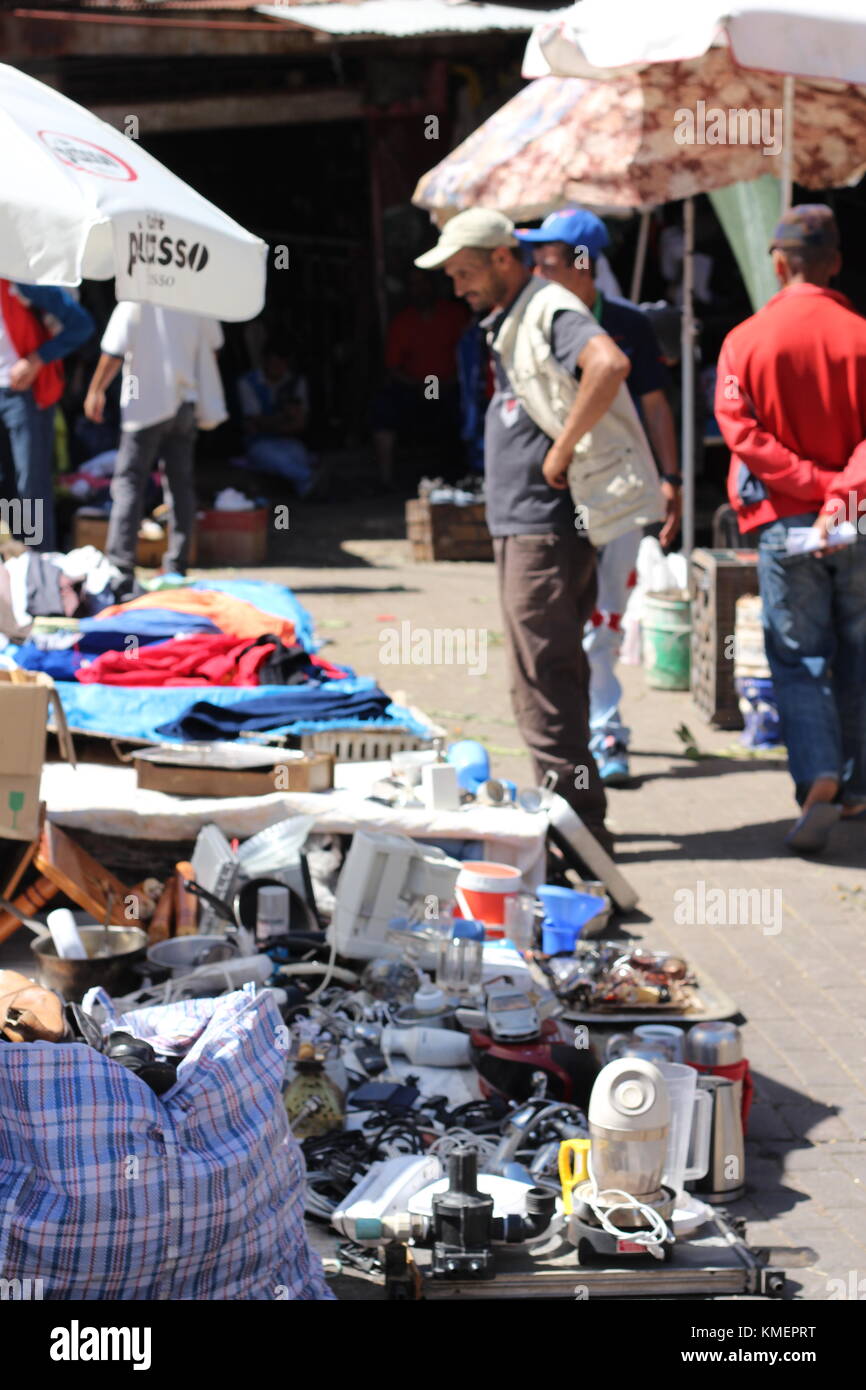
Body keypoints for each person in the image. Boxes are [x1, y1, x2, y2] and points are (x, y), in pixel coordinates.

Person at [415, 208, 640, 856]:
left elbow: (608, 364)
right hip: (534, 528)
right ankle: (578, 824)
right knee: (553, 679)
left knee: (541, 685)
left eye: (466, 272)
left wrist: (559, 452)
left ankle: (579, 840)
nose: (459, 288)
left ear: (503, 259)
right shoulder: (520, 315)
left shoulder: (547, 308)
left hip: (543, 529)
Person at [714, 205, 866, 855]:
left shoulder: (743, 341)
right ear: (835, 263)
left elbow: (741, 432)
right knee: (859, 651)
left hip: (784, 521)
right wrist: (841, 491)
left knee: (801, 659)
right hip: (857, 516)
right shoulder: (861, 333)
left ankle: (819, 778)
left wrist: (808, 486)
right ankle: (857, 786)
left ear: (777, 263)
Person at [515, 208, 681, 786]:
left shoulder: (626, 324)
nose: (537, 270)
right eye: (534, 261)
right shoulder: (538, 319)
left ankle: (606, 733)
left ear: (583, 265)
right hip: (559, 496)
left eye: (550, 262)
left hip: (616, 492)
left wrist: (673, 478)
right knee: (564, 618)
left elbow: (656, 405)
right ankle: (582, 732)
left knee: (606, 615)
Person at [84, 302, 226, 584]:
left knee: (129, 482)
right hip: (185, 402)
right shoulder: (193, 295)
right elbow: (215, 346)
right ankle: (177, 564)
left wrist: (95, 389)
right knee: (180, 485)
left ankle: (120, 566)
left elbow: (114, 349)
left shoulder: (137, 295)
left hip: (145, 405)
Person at [0, 280, 94, 551]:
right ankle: (21, 557)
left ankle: (39, 560)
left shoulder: (20, 283)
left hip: (25, 394)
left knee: (29, 481)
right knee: (8, 484)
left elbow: (81, 325)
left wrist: (38, 358)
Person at [372, 269, 468, 486]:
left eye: (424, 284)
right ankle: (385, 479)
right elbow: (393, 367)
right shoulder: (403, 322)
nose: (420, 290)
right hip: (415, 387)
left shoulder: (453, 315)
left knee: (457, 411)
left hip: (451, 384)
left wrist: (452, 380)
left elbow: (468, 355)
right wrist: (418, 384)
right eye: (415, 285)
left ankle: (458, 476)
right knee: (383, 408)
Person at [237, 338, 316, 496]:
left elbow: (301, 423)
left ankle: (309, 489)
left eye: (283, 364)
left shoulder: (295, 381)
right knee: (276, 458)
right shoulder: (248, 382)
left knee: (298, 454)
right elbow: (254, 422)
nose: (279, 368)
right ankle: (311, 479)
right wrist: (285, 418)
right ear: (265, 361)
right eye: (275, 363)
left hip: (289, 441)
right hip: (259, 444)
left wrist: (270, 422)